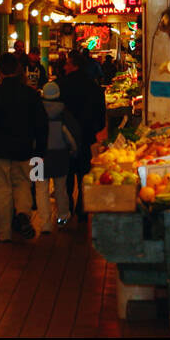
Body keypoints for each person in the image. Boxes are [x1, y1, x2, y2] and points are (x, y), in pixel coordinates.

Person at [0, 53, 46, 242]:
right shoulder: (31, 95)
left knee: (1, 190)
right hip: (24, 149)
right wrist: (40, 150)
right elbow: (41, 125)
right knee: (23, 184)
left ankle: (4, 232)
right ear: (17, 69)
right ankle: (23, 214)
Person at [59, 49, 106, 221]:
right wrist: (96, 128)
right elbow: (101, 113)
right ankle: (82, 208)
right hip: (87, 134)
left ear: (74, 66)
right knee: (85, 173)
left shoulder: (61, 85)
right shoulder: (93, 86)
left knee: (67, 173)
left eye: (67, 63)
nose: (64, 67)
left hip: (65, 135)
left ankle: (67, 206)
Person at [36, 81, 80, 232]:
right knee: (61, 189)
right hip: (60, 155)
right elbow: (70, 137)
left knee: (40, 189)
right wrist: (74, 151)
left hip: (38, 156)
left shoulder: (35, 112)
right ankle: (62, 217)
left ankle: (45, 224)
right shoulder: (63, 113)